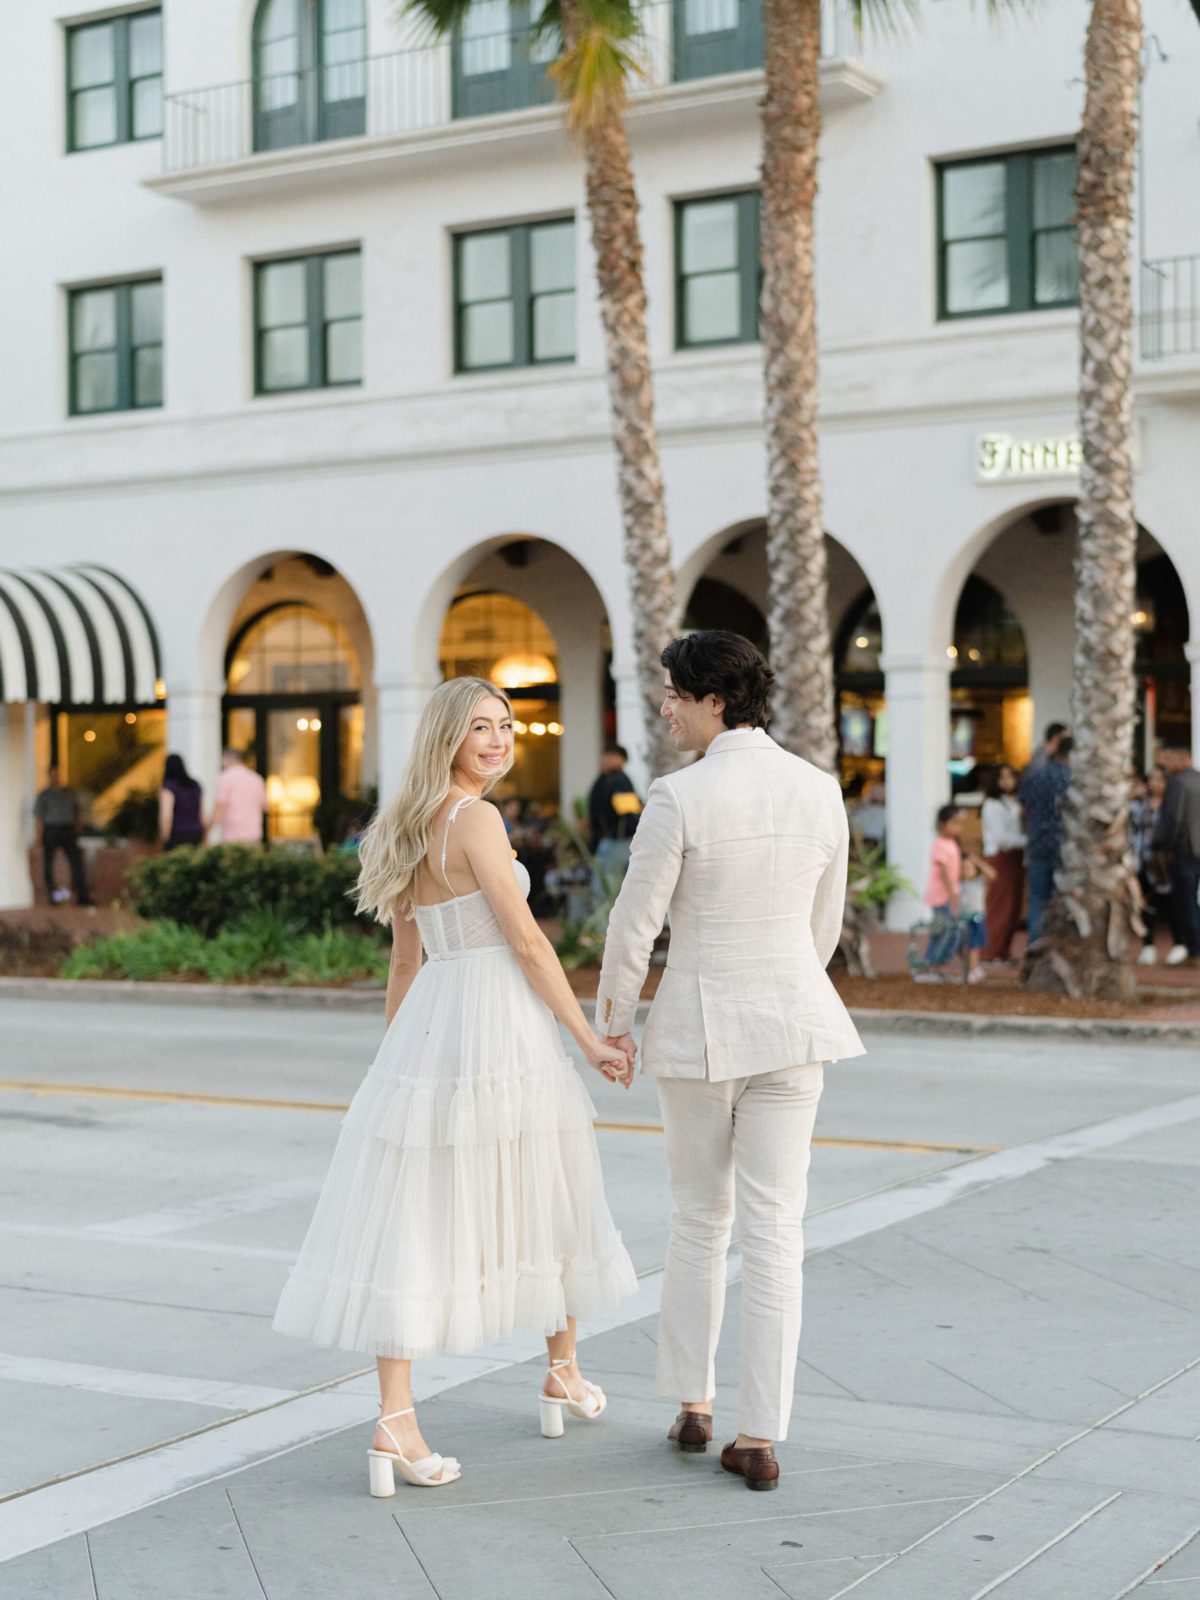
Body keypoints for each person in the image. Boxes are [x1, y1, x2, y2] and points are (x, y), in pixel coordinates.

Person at [273, 677, 637, 1493]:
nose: (500, 740)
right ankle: (557, 1372)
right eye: (481, 727)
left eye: (507, 726)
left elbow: (406, 962)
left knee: (421, 1215)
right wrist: (587, 1041)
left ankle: (412, 1416)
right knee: (544, 1189)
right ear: (447, 736)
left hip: (437, 1022)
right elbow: (528, 945)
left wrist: (400, 1060)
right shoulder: (476, 818)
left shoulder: (408, 822)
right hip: (497, 1021)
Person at [595, 630, 863, 1492]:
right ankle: (760, 1435)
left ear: (714, 699)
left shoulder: (678, 797)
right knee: (777, 1227)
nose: (665, 707)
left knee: (698, 1218)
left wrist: (613, 1024)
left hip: (703, 1029)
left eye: (674, 692)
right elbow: (824, 926)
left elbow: (635, 926)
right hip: (794, 1021)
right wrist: (785, 981)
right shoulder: (820, 790)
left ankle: (693, 1402)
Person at [1019, 735, 1073, 946]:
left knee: (1038, 900)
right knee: (1062, 901)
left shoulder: (1036, 775)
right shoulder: (1071, 778)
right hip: (1064, 848)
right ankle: (1056, 949)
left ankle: (1036, 946)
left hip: (1037, 844)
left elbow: (1022, 804)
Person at [1153, 746, 1200, 966]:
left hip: (1184, 851)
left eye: (1170, 758)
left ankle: (1194, 950)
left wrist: (1165, 847)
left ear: (1184, 758)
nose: (1167, 763)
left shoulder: (1179, 784)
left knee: (1185, 901)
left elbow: (1173, 820)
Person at [1131, 765, 1176, 965]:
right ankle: (1148, 945)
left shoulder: (1172, 805)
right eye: (1152, 779)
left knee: (1170, 903)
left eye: (1160, 779)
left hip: (1164, 863)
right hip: (1143, 860)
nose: (1155, 783)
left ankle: (1179, 943)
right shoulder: (1141, 805)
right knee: (1143, 904)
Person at [981, 763, 1026, 962]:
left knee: (1015, 906)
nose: (1007, 782)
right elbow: (1001, 838)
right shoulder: (992, 805)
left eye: (1011, 777)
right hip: (1000, 857)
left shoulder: (1015, 802)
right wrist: (1030, 841)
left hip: (1016, 857)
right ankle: (991, 951)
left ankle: (1004, 951)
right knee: (1000, 905)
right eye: (1003, 778)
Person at [33, 766, 92, 907]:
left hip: (68, 830)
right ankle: (53, 896)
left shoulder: (69, 793)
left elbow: (77, 812)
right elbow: (38, 818)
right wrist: (38, 837)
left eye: (58, 774)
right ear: (49, 776)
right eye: (53, 775)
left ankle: (82, 896)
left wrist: (78, 827)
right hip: (51, 830)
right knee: (48, 865)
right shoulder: (44, 795)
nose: (56, 777)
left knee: (76, 863)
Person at [918, 804, 965, 977]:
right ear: (942, 824)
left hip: (950, 895)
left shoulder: (952, 843)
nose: (957, 827)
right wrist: (952, 894)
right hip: (941, 896)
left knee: (951, 932)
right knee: (941, 932)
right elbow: (944, 872)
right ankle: (931, 964)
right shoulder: (940, 844)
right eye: (954, 823)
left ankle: (940, 964)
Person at [587, 744, 643, 890]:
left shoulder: (620, 781)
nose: (607, 759)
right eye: (606, 755)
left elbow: (628, 815)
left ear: (622, 760)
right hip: (610, 840)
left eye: (612, 756)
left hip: (617, 841)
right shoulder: (606, 778)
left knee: (608, 886)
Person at [206, 747, 268, 845]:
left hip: (232, 835)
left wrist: (207, 832)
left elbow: (219, 808)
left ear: (228, 759)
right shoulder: (256, 779)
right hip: (254, 834)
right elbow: (264, 806)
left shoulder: (225, 778)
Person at [159, 754, 205, 851]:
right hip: (196, 833)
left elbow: (166, 816)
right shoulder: (195, 785)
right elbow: (201, 812)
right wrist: (205, 836)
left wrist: (165, 839)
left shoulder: (169, 787)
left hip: (178, 834)